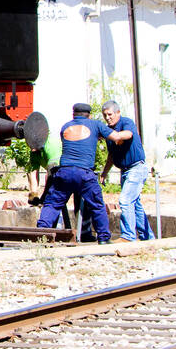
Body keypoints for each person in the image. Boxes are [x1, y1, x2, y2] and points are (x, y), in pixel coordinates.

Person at [36, 102, 125, 244]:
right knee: (96, 205)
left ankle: (41, 234)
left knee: (52, 204)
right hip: (84, 173)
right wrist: (129, 134)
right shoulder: (95, 125)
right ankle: (103, 238)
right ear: (88, 115)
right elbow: (117, 138)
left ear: (73, 114)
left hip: (64, 172)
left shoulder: (65, 126)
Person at [100, 100, 153, 242]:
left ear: (118, 113)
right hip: (125, 171)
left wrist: (115, 135)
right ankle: (148, 238)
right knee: (135, 205)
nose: (108, 118)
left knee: (125, 200)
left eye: (110, 114)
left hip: (136, 167)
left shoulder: (126, 122)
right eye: (105, 115)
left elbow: (128, 134)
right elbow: (111, 155)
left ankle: (128, 236)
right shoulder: (109, 132)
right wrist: (105, 172)